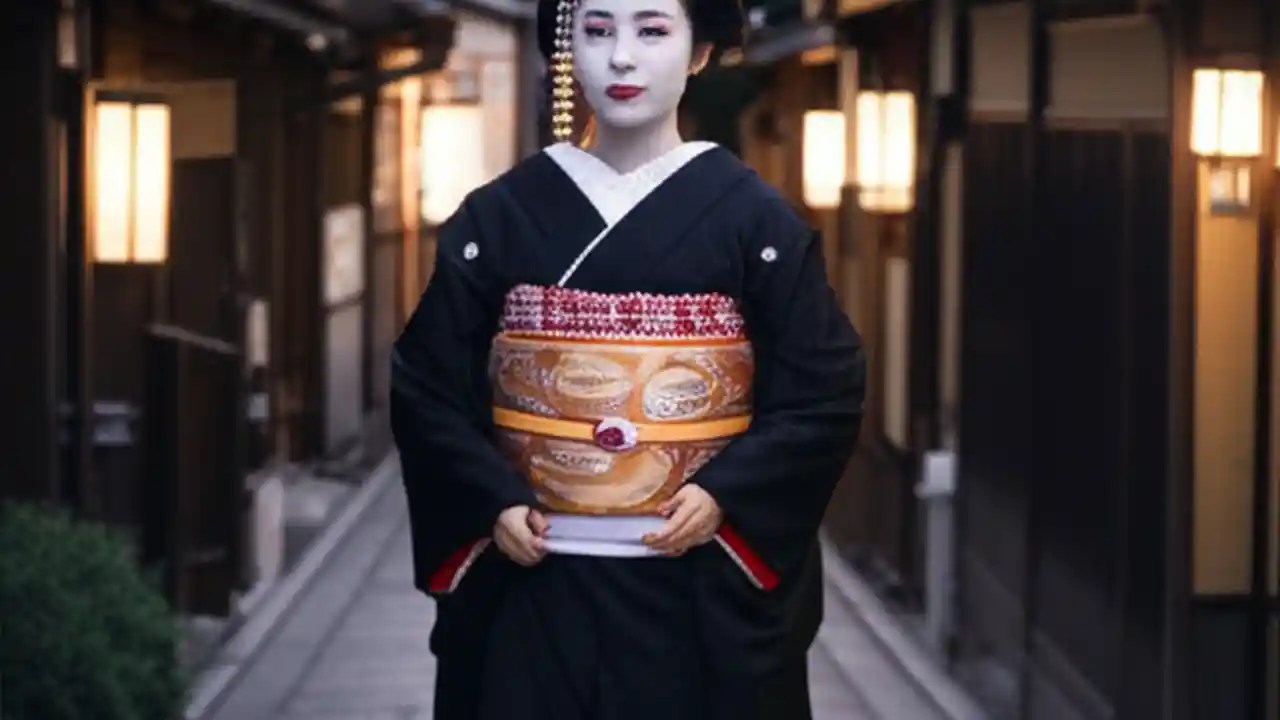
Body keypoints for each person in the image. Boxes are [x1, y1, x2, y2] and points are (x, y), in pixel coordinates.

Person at [390, 0, 866, 716]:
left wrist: (725, 494)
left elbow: (823, 392)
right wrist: (491, 500)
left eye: (651, 29)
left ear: (700, 49)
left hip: (694, 588)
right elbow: (426, 386)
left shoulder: (753, 220)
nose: (620, 57)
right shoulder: (499, 215)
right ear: (566, 45)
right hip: (535, 578)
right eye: (596, 29)